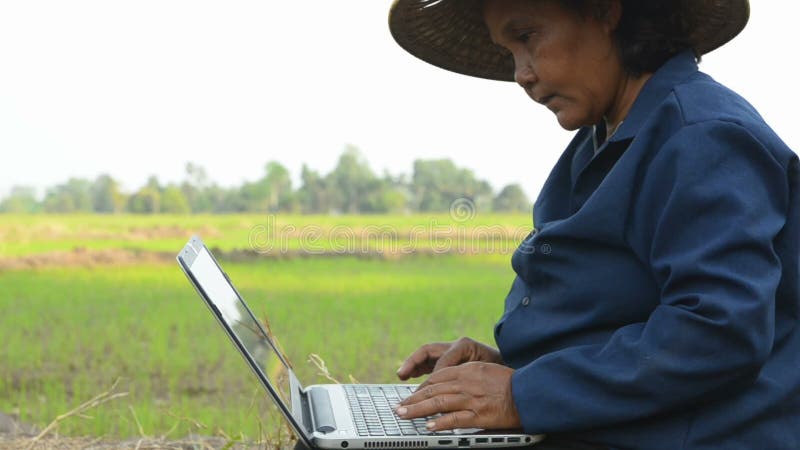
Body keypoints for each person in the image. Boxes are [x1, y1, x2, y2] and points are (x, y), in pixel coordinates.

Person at [387, 0, 800, 449]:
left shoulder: (701, 135)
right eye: (510, 52)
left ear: (605, 11)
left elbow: (718, 332)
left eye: (527, 37)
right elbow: (623, 310)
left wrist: (521, 393)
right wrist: (516, 367)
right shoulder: (603, 138)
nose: (521, 74)